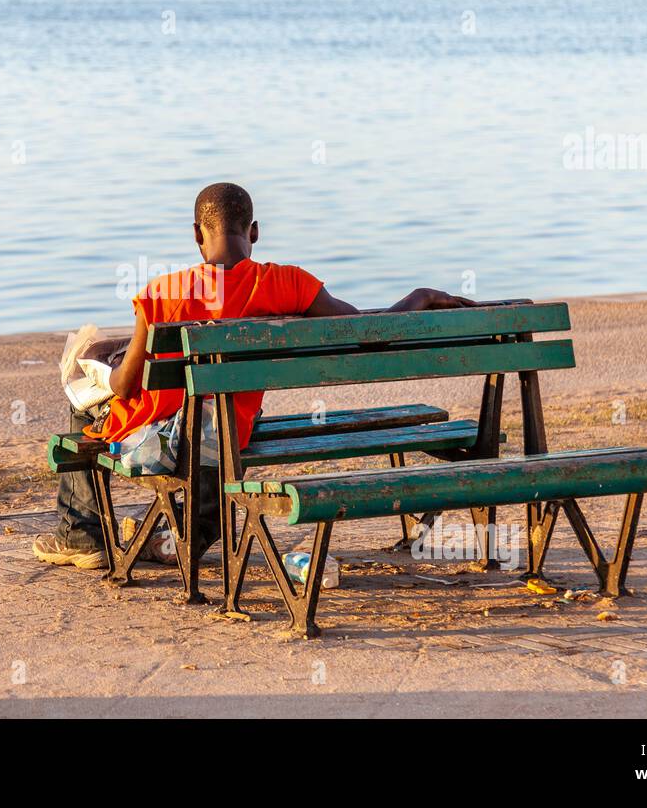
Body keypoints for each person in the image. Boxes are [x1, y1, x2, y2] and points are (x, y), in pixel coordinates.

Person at [33, 182, 473, 569]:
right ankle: (191, 530)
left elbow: (128, 385)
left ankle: (82, 536)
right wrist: (421, 296)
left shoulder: (160, 293)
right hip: (232, 429)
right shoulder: (289, 284)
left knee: (81, 408)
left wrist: (101, 365)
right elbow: (362, 333)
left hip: (164, 429)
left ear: (196, 236)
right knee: (214, 411)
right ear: (255, 231)